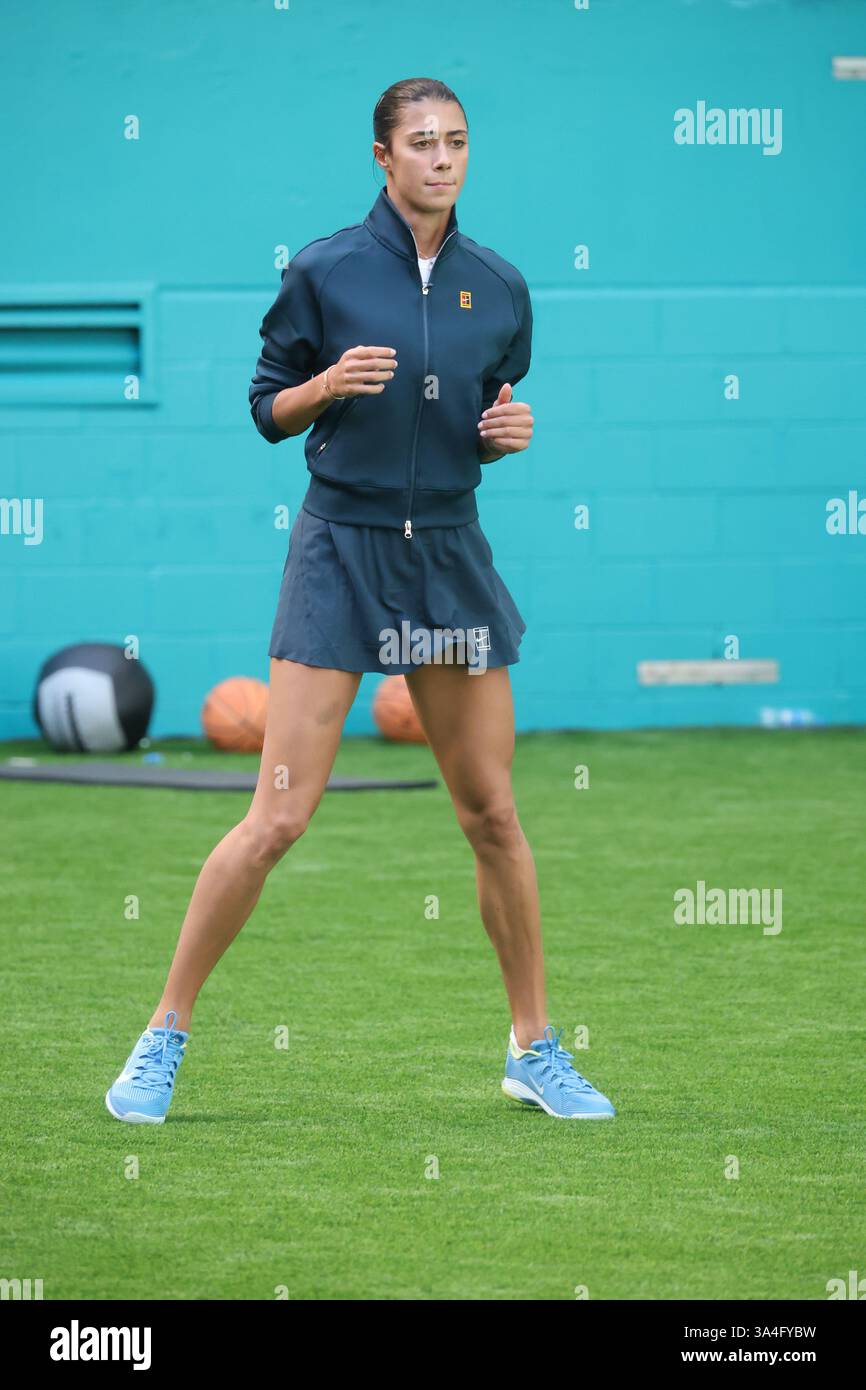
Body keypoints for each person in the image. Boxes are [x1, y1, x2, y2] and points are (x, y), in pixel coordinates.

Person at [105, 77, 615, 1125]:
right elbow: (264, 409)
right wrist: (324, 387)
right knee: (278, 815)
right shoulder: (325, 271)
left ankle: (534, 1046)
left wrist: (499, 437)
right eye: (420, 142)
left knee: (493, 814)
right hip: (340, 552)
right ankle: (162, 1035)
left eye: (456, 141)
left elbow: (483, 410)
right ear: (381, 158)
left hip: (450, 561)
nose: (441, 158)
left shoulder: (500, 287)